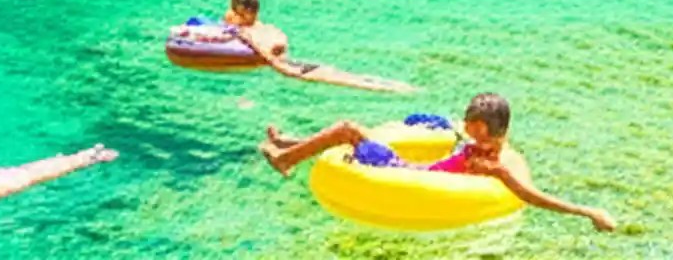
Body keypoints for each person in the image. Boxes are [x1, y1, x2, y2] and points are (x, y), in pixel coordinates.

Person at [258, 93, 616, 232]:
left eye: (471, 127)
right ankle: (288, 145)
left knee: (348, 130)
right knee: (351, 132)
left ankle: (286, 158)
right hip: (410, 169)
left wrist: (590, 212)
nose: (465, 130)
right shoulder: (484, 146)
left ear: (488, 129)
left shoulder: (496, 165)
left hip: (401, 176)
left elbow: (533, 196)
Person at [208, 0, 413, 92]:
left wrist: (271, 58)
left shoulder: (255, 28)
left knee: (334, 76)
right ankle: (391, 86)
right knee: (334, 76)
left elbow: (273, 44)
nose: (250, 16)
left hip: (284, 63)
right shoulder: (234, 21)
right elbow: (229, 28)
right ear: (237, 11)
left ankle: (392, 86)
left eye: (253, 13)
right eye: (247, 13)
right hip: (282, 60)